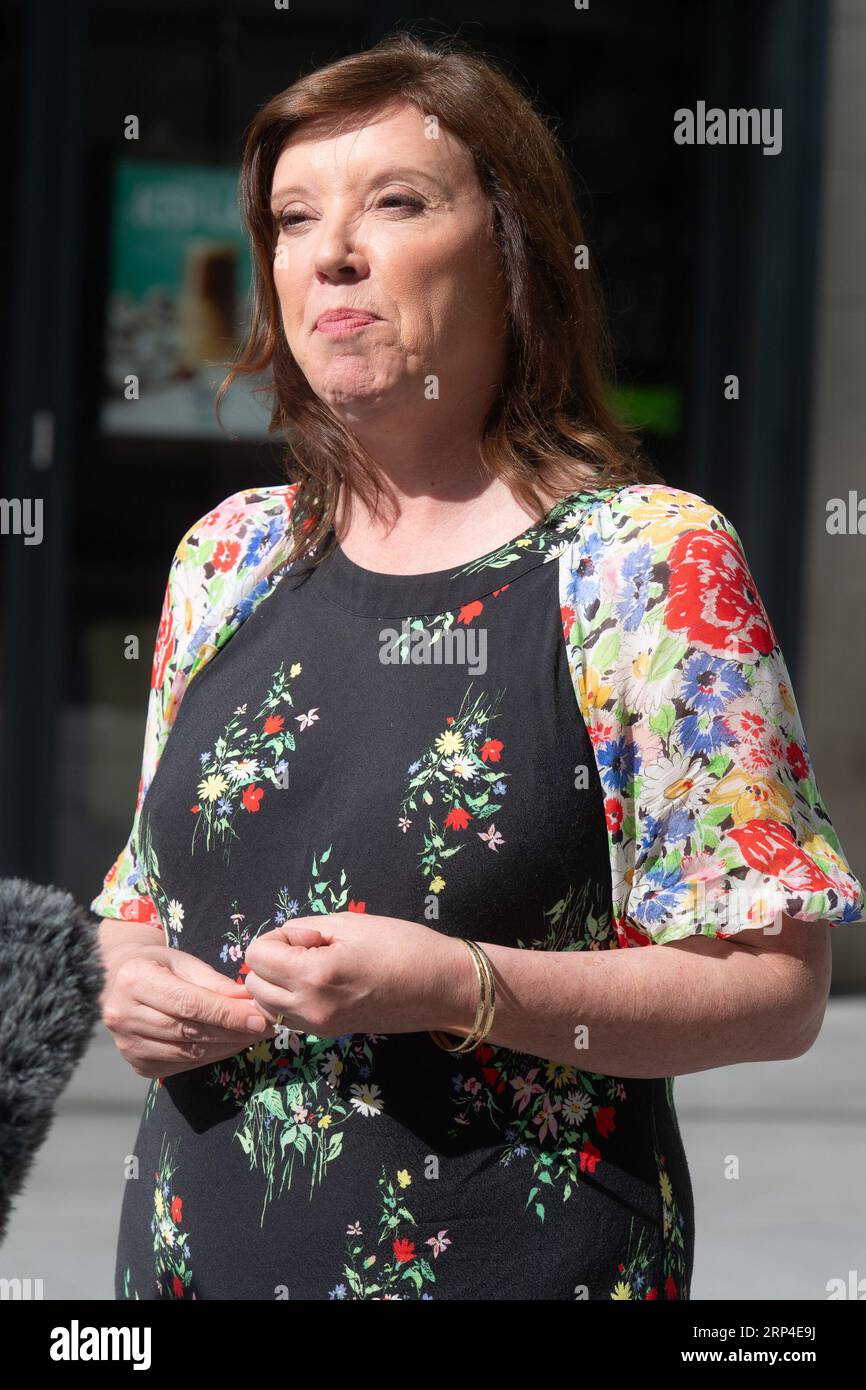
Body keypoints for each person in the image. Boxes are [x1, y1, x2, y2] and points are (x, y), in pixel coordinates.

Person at [93, 32, 864, 1302]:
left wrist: (458, 985)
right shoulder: (226, 555)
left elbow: (773, 990)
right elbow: (139, 893)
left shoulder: (644, 564)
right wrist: (131, 981)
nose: (329, 251)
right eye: (293, 217)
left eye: (393, 202)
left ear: (512, 256)